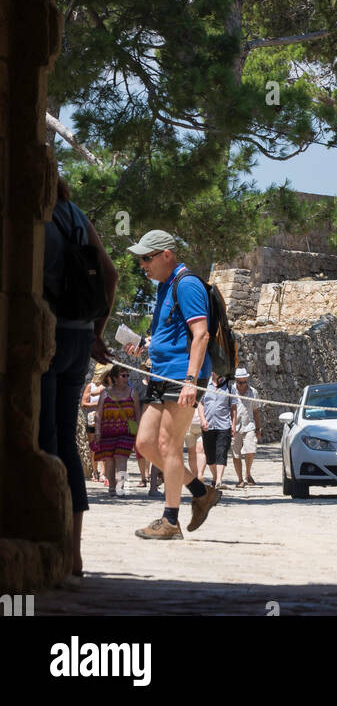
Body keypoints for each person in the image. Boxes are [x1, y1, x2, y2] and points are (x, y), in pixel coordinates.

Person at [39, 177, 118, 578]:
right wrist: (97, 333)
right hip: (79, 336)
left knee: (43, 437)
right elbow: (111, 274)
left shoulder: (36, 215)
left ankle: (46, 547)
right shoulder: (76, 216)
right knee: (67, 443)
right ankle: (74, 553)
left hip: (45, 333)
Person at [126, 230, 220, 540]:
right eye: (141, 259)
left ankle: (170, 521)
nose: (143, 265)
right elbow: (169, 332)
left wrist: (191, 382)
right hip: (161, 375)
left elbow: (201, 334)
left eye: (146, 258)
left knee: (168, 445)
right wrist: (145, 344)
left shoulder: (187, 284)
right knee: (145, 445)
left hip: (181, 377)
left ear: (167, 254)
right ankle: (200, 491)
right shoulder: (165, 288)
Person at [91, 365, 140, 495]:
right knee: (109, 460)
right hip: (107, 432)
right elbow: (99, 413)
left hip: (126, 432)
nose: (126, 378)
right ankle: (112, 487)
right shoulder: (105, 393)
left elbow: (138, 414)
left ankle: (120, 487)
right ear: (114, 378)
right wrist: (97, 432)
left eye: (127, 375)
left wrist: (140, 432)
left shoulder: (132, 392)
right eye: (123, 376)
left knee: (121, 457)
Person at [199, 372, 235, 487]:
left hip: (223, 425)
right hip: (208, 424)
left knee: (222, 451)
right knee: (210, 455)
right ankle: (215, 477)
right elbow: (200, 403)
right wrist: (202, 419)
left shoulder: (229, 386)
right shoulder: (204, 384)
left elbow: (233, 407)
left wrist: (233, 425)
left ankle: (219, 479)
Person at [231, 367, 261, 488]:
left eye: (245, 382)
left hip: (249, 426)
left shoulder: (253, 392)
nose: (243, 385)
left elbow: (256, 411)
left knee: (250, 450)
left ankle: (248, 474)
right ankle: (240, 479)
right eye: (240, 382)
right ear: (236, 380)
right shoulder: (230, 391)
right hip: (235, 426)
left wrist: (258, 429)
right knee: (236, 454)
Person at [82, 368, 109, 485]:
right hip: (92, 419)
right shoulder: (90, 386)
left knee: (104, 445)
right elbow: (83, 403)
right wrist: (97, 404)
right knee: (93, 447)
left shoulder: (107, 386)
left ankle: (103, 473)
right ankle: (95, 471)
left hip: (105, 420)